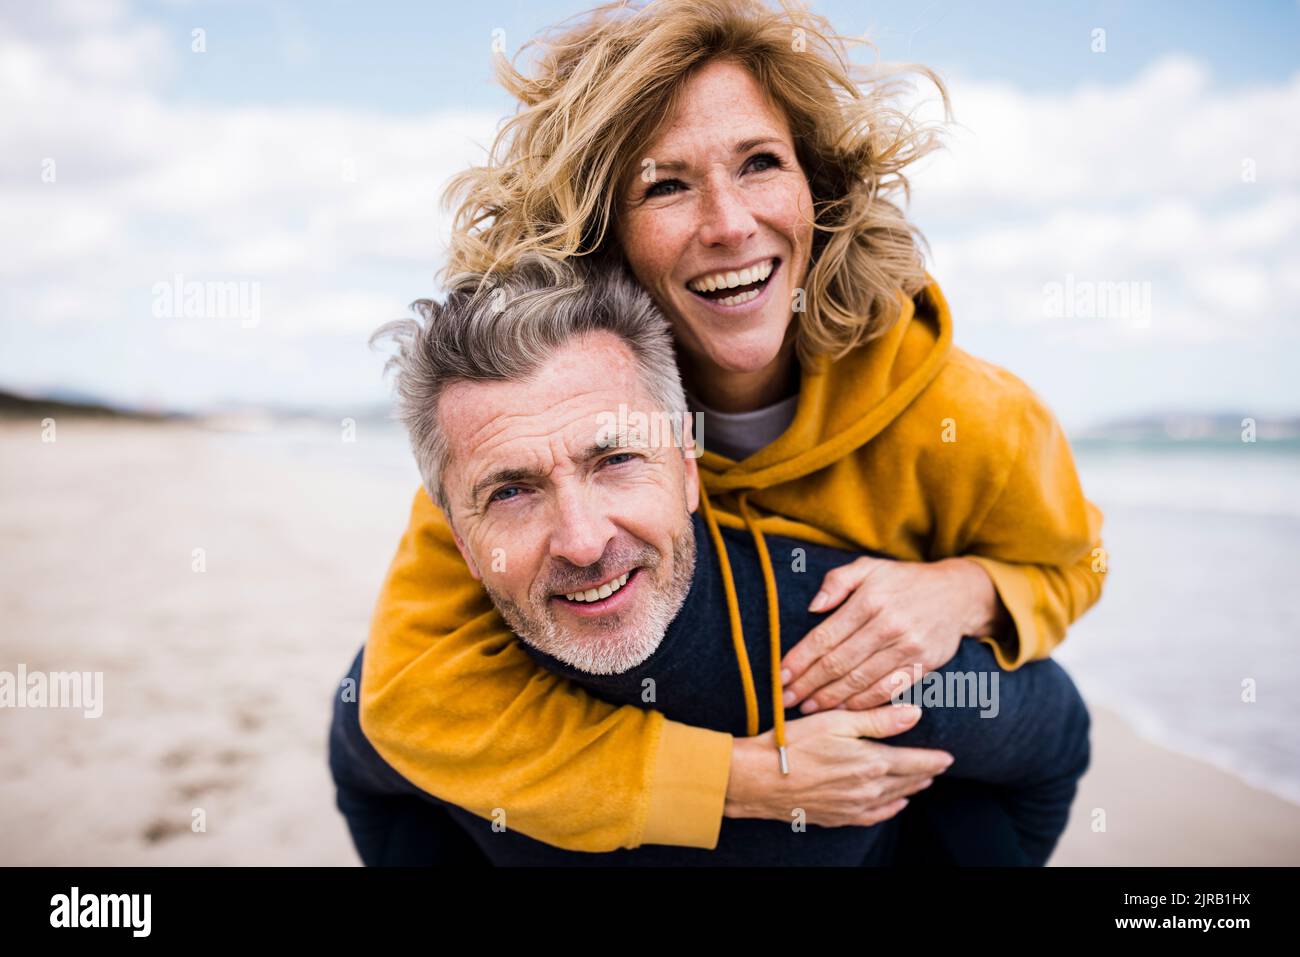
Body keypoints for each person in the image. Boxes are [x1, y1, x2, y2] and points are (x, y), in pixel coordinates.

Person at [358, 0, 1107, 853]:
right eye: (666, 184)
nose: (728, 225)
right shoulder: (545, 430)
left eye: (760, 164)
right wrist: (734, 780)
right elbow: (412, 689)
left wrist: (967, 588)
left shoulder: (967, 413)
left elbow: (1073, 562)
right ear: (604, 234)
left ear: (817, 190)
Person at [330, 257, 1091, 865]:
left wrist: (972, 588)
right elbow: (364, 761)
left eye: (616, 458)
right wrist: (732, 780)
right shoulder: (444, 690)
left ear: (690, 466)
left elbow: (1053, 738)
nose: (584, 541)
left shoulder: (832, 648)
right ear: (457, 537)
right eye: (511, 492)